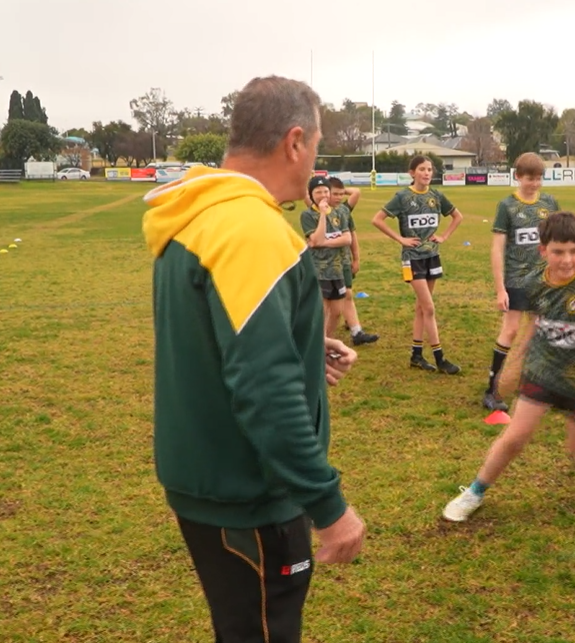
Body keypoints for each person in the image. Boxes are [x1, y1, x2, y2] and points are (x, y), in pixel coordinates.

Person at [142, 74, 366, 643]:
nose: (315, 165)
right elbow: (265, 389)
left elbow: (220, 330)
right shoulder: (252, 230)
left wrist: (305, 349)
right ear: (294, 142)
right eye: (315, 148)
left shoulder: (199, 211)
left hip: (205, 478)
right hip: (250, 493)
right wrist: (330, 507)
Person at [442, 211, 575, 523]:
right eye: (558, 251)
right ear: (543, 250)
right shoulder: (534, 283)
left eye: (574, 250)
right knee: (514, 438)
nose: (567, 259)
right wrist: (514, 365)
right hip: (543, 369)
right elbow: (534, 325)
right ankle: (475, 491)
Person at [371, 155, 465, 374]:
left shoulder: (436, 195)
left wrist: (444, 236)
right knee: (429, 307)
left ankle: (416, 355)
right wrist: (401, 239)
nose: (427, 173)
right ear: (412, 173)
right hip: (412, 258)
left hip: (431, 255)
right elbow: (377, 219)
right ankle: (440, 358)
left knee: (422, 308)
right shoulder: (403, 197)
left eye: (430, 169)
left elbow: (457, 216)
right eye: (422, 169)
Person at [482, 152, 560, 412]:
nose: (535, 184)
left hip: (543, 281)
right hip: (515, 279)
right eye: (529, 178)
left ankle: (536, 384)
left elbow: (555, 242)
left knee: (538, 332)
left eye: (539, 178)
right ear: (517, 177)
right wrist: (500, 288)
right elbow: (497, 248)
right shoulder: (507, 206)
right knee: (511, 330)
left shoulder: (549, 203)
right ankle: (492, 389)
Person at [301, 175, 354, 340]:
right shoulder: (307, 215)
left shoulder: (340, 212)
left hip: (337, 269)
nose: (323, 195)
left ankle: (327, 342)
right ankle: (319, 345)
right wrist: (323, 215)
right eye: (318, 192)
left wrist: (323, 242)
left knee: (337, 311)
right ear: (311, 195)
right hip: (319, 270)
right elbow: (315, 239)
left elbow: (347, 238)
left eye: (325, 191)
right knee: (322, 311)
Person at [329, 177, 379, 345]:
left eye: (340, 194)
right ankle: (325, 336)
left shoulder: (344, 210)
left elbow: (356, 192)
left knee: (347, 295)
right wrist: (322, 187)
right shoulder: (316, 212)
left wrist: (356, 258)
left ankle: (355, 331)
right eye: (333, 193)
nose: (338, 197)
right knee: (331, 302)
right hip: (325, 266)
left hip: (343, 261)